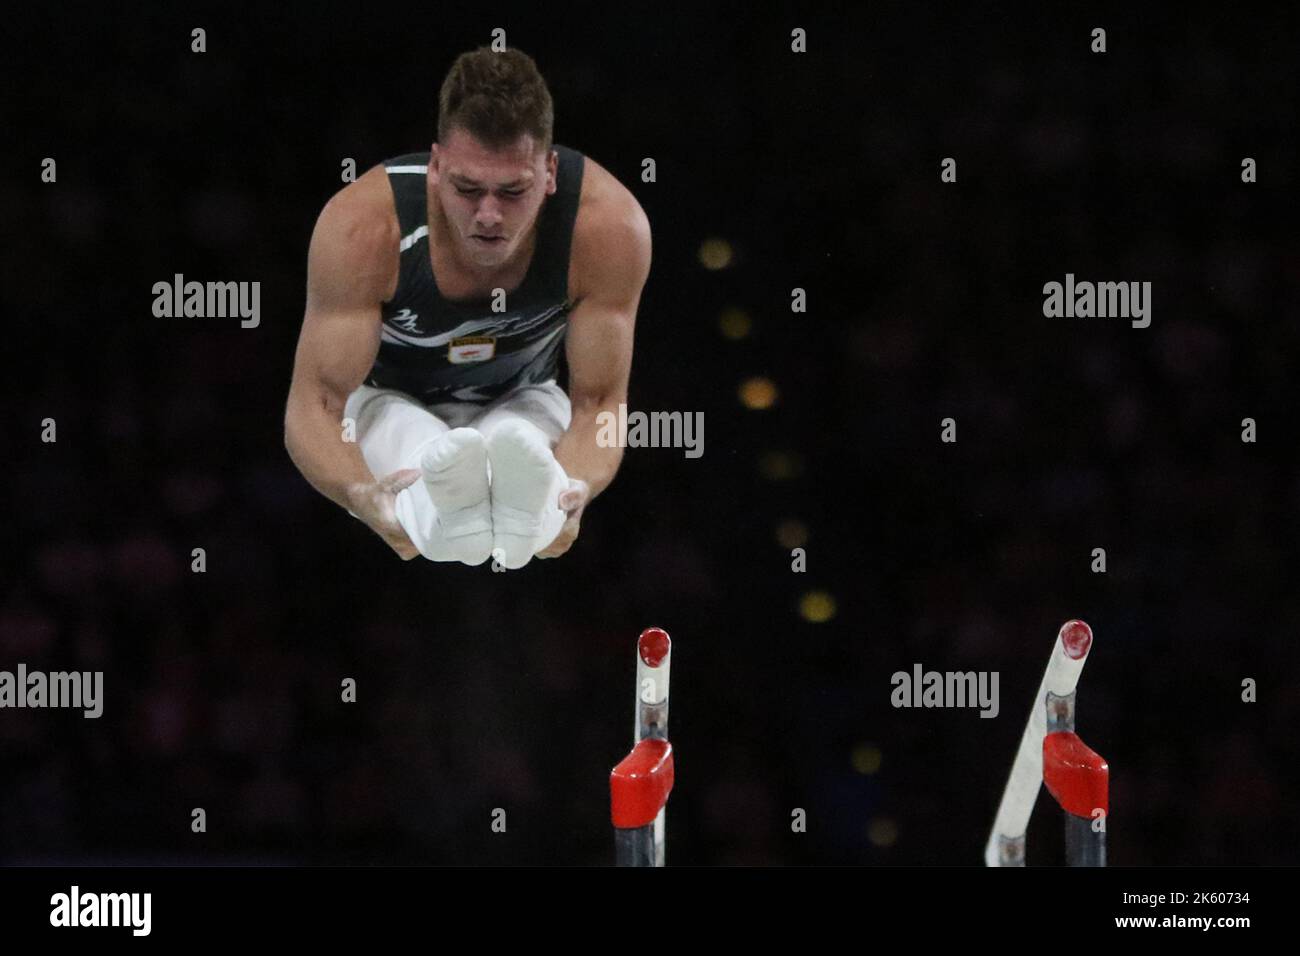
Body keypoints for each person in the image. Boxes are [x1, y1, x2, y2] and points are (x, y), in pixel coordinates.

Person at [285, 47, 651, 568]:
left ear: (549, 172)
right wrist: (362, 495)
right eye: (467, 187)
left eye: (512, 191)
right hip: (390, 398)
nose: (488, 215)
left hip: (526, 393)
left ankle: (525, 497)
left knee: (528, 454)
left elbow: (598, 404)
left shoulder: (606, 229)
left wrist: (575, 492)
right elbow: (314, 405)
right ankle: (432, 497)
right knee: (414, 455)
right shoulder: (364, 229)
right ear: (435, 166)